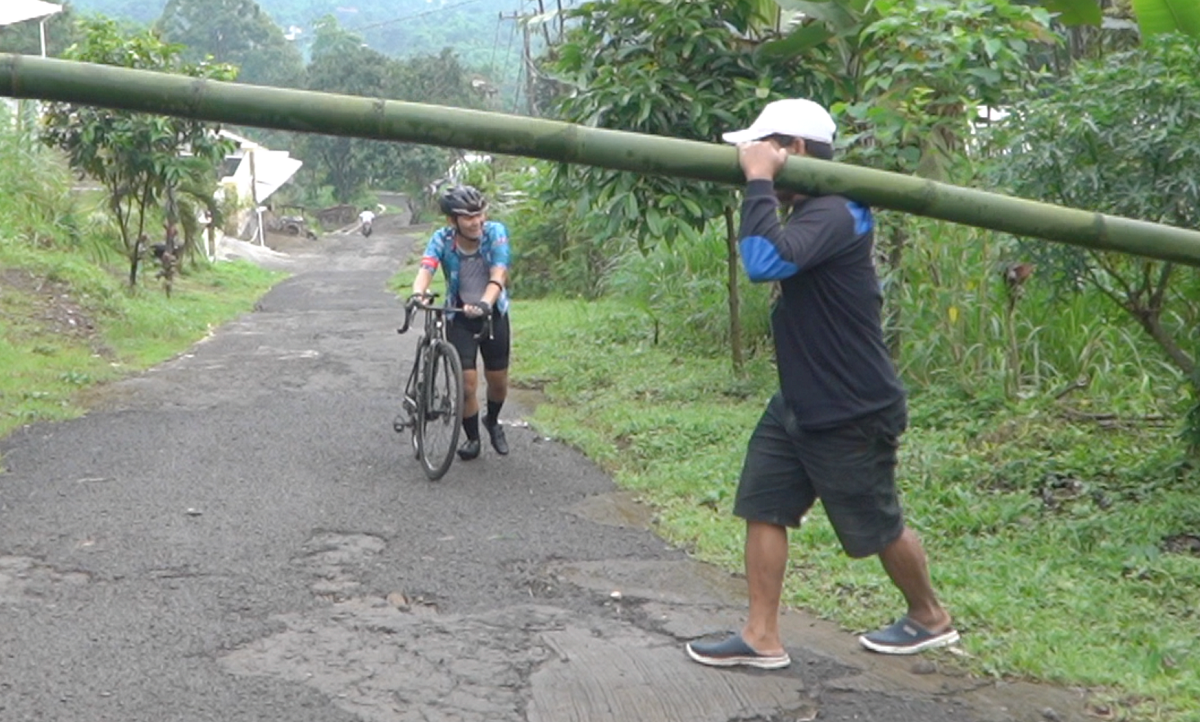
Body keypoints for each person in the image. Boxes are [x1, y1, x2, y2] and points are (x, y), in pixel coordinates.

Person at [684, 98, 957, 669]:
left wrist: (758, 180)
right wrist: (762, 179)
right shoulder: (815, 211)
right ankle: (761, 636)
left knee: (878, 525)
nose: (750, 158)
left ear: (796, 150)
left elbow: (763, 263)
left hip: (851, 407)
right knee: (763, 504)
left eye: (763, 146)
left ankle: (929, 616)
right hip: (798, 402)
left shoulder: (837, 212)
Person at [410, 185, 512, 460]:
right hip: (459, 315)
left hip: (492, 314)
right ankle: (472, 439)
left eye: (479, 214)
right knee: (467, 385)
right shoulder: (442, 239)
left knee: (498, 382)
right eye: (468, 217)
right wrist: (418, 293)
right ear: (452, 221)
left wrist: (484, 304)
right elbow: (426, 267)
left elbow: (499, 273)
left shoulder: (495, 233)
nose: (476, 221)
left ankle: (491, 421)